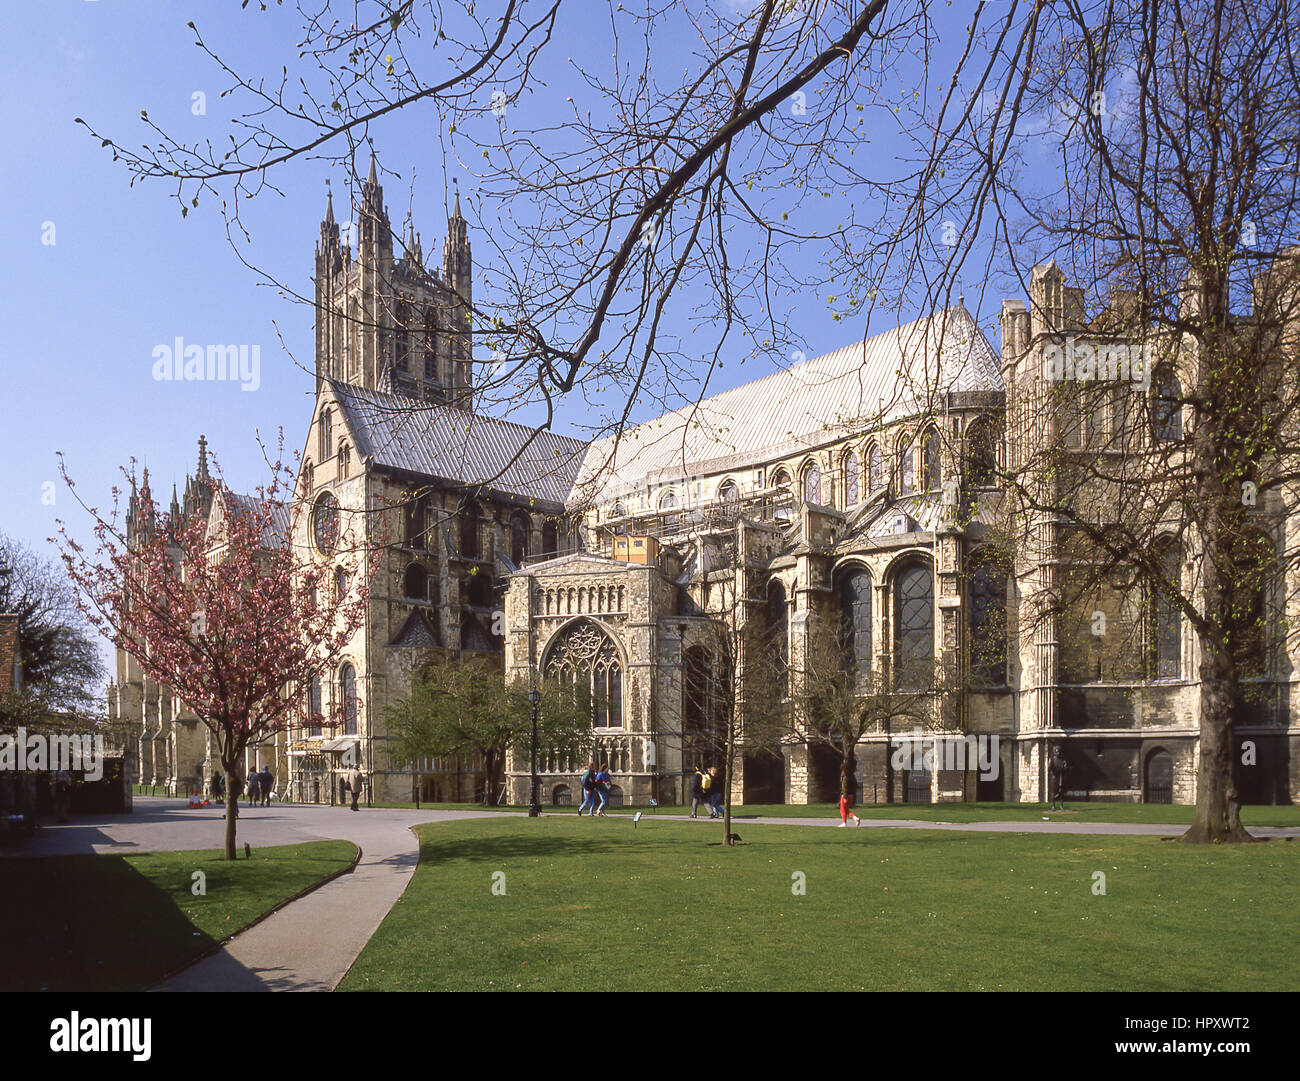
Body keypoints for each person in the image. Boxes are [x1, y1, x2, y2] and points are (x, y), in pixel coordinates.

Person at [838, 754, 861, 827]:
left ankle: (844, 823)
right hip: (851, 795)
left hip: (846, 795)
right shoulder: (852, 776)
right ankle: (855, 818)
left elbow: (844, 787)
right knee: (846, 810)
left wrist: (844, 796)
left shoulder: (845, 778)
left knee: (842, 809)